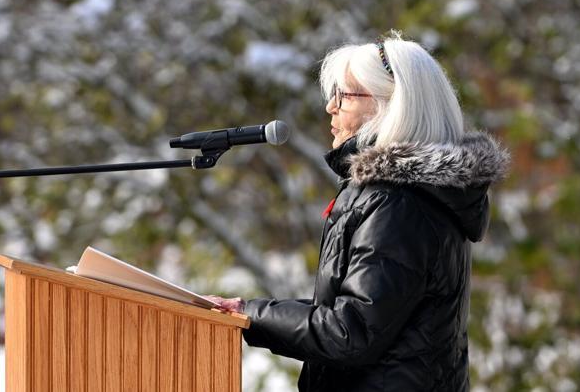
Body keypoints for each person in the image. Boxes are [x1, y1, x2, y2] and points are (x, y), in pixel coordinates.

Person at [204, 33, 510, 391]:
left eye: (342, 96)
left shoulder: (399, 204)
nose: (330, 108)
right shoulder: (409, 196)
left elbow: (351, 331)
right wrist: (251, 313)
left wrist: (250, 314)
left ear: (391, 104)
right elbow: (362, 312)